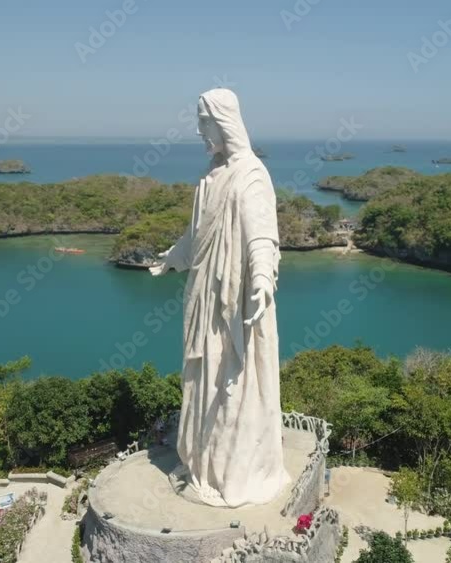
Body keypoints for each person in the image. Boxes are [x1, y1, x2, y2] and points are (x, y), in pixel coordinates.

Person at [150, 88, 289, 507]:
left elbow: (260, 233)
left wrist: (263, 280)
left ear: (224, 121)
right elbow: (197, 235)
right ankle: (203, 463)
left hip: (236, 302)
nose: (200, 132)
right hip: (204, 298)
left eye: (204, 123)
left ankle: (234, 470)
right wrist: (174, 257)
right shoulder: (209, 178)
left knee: (231, 383)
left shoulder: (250, 174)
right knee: (203, 381)